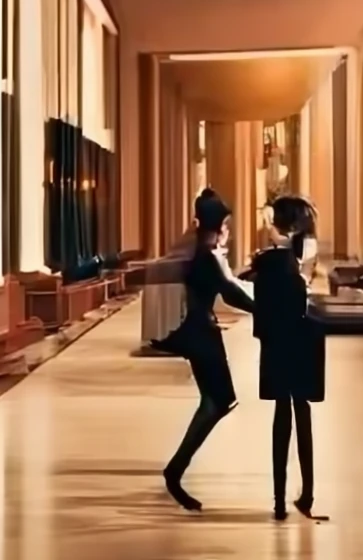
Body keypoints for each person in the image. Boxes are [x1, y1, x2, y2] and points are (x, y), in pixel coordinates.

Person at [158, 189, 254, 512]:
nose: (228, 229)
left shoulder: (204, 250)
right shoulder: (207, 254)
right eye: (226, 223)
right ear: (218, 224)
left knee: (216, 401)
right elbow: (229, 293)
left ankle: (176, 469)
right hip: (201, 333)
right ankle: (175, 470)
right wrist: (265, 309)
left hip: (200, 331)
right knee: (217, 401)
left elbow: (228, 287)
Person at [249, 195, 327, 521]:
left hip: (276, 346)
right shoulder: (291, 268)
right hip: (299, 346)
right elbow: (303, 307)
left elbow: (261, 316)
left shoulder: (267, 265)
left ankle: (280, 499)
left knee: (283, 417)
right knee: (301, 413)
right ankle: (306, 492)